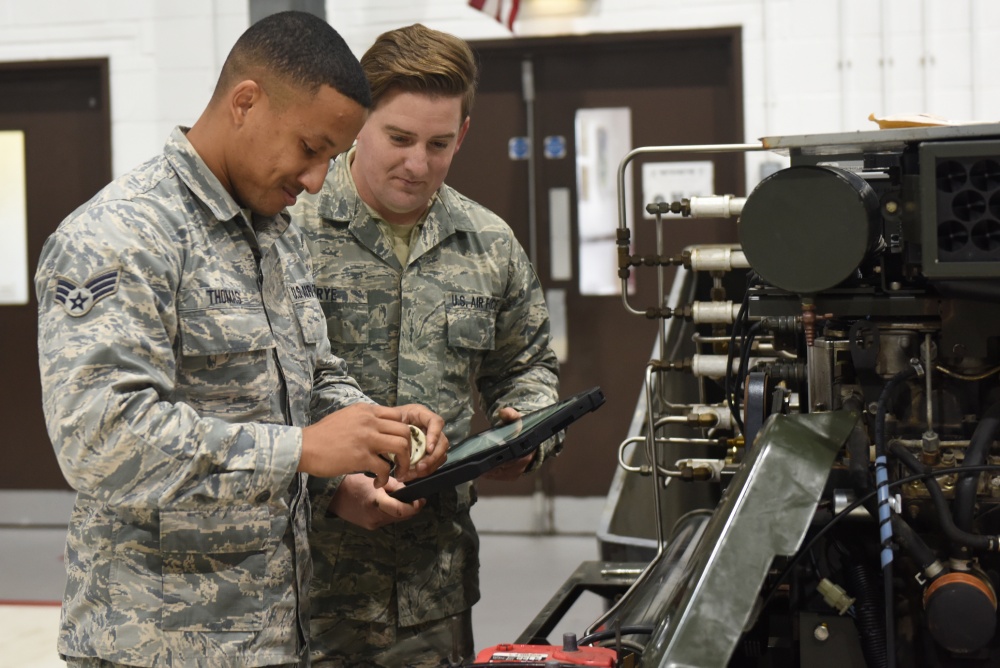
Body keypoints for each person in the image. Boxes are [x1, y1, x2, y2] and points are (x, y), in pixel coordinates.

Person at [34, 12, 447, 668]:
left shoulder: (273, 232)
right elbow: (101, 440)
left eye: (332, 160)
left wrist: (370, 433)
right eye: (310, 149)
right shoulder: (119, 236)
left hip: (274, 634)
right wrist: (305, 452)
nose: (316, 180)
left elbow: (309, 373)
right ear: (245, 102)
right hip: (155, 646)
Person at [291, 23, 562, 667]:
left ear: (463, 133)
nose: (418, 164)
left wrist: (523, 434)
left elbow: (528, 368)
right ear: (358, 121)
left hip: (430, 589)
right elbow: (245, 395)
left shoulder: (488, 243)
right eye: (400, 138)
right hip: (302, 583)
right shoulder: (289, 227)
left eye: (440, 144)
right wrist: (329, 489)